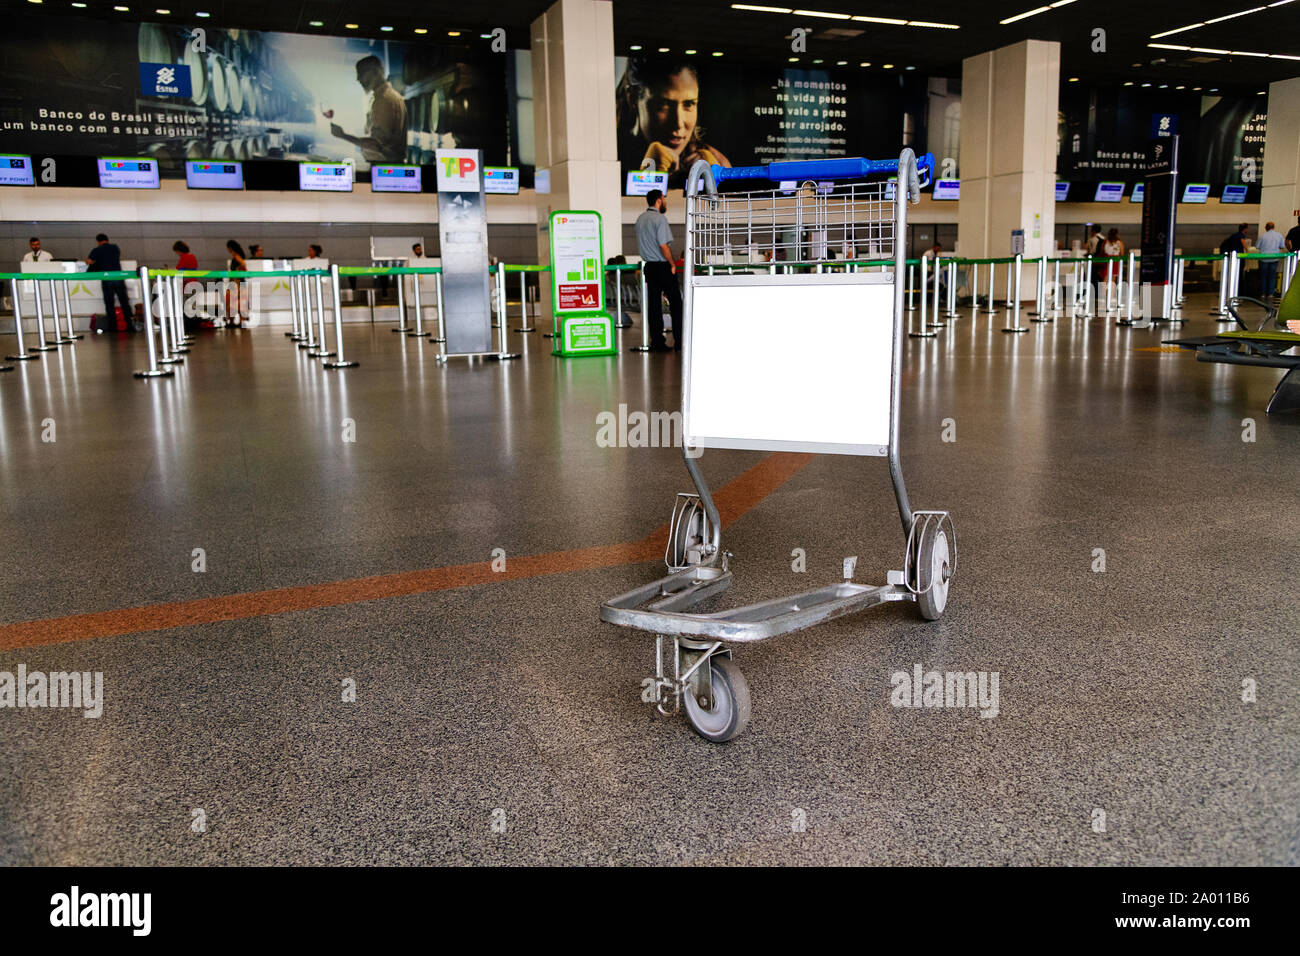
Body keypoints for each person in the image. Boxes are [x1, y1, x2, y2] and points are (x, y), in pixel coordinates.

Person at [617, 58, 731, 189]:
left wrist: (715, 180)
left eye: (689, 104)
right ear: (633, 98)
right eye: (663, 105)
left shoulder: (717, 161)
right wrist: (649, 175)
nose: (678, 123)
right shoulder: (611, 154)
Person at [328, 55, 407, 165]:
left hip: (385, 170)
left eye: (361, 73)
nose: (358, 79)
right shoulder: (390, 97)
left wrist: (343, 135)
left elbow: (376, 145)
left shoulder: (384, 100)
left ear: (376, 71)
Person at [635, 188, 681, 351]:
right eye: (664, 199)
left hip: (649, 267)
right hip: (662, 266)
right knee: (676, 304)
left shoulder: (640, 219)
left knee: (654, 306)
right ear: (659, 200)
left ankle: (657, 342)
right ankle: (680, 342)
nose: (665, 202)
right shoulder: (660, 219)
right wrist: (672, 263)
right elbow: (663, 246)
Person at [86, 234, 134, 331]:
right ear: (107, 240)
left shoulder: (97, 250)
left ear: (98, 241)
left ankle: (113, 327)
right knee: (124, 302)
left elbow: (89, 261)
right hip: (118, 277)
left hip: (107, 279)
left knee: (109, 304)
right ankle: (130, 326)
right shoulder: (115, 248)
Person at [1257, 221, 1285, 299]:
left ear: (1266, 227)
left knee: (1263, 276)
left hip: (1263, 259)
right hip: (1274, 258)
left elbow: (1257, 246)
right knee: (1272, 277)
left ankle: (1263, 293)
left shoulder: (1262, 236)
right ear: (1273, 227)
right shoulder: (1279, 235)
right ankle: (1270, 294)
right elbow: (1282, 246)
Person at [225, 240, 248, 328]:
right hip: (236, 282)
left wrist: (237, 276)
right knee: (234, 302)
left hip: (237, 282)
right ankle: (235, 321)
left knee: (236, 302)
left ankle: (238, 321)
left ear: (230, 248)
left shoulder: (237, 257)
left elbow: (244, 267)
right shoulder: (236, 257)